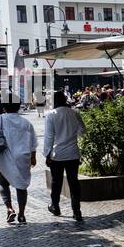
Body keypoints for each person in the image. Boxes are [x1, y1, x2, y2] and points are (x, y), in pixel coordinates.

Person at [0, 101, 36, 225]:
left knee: (2, 183)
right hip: (23, 157)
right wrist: (33, 156)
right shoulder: (26, 122)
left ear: (4, 107)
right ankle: (22, 214)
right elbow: (33, 142)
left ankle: (9, 208)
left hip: (3, 156)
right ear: (18, 107)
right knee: (21, 186)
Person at [42, 90, 85, 223]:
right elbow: (83, 130)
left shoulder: (51, 115)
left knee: (56, 181)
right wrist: (72, 137)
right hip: (72, 153)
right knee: (74, 182)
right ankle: (76, 211)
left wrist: (47, 154)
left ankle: (55, 206)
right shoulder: (74, 113)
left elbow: (49, 137)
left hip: (57, 154)